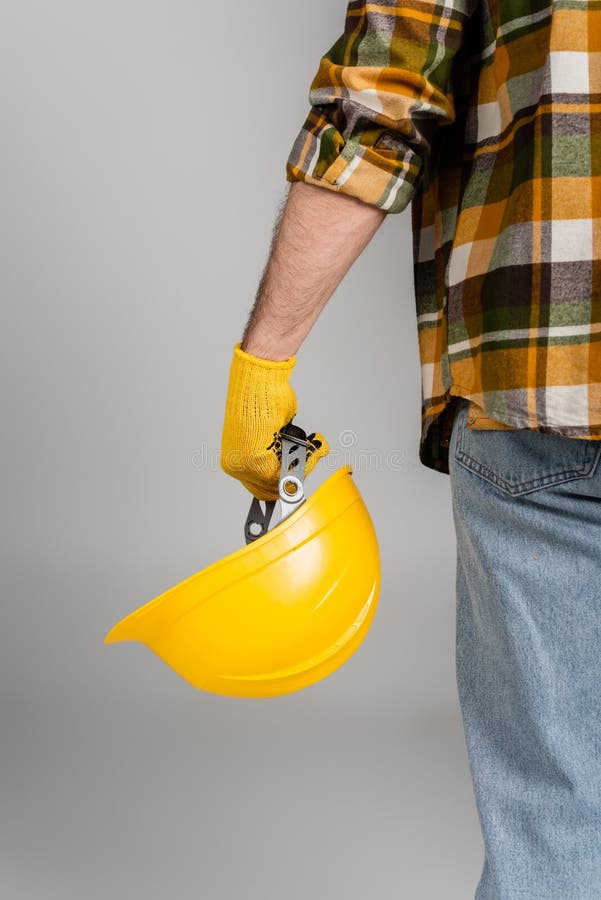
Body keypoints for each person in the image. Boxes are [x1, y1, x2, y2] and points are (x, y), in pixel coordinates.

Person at [220, 0, 601, 896]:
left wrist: (263, 363)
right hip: (538, 398)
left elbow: (381, 98)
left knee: (559, 816)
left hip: (547, 370)